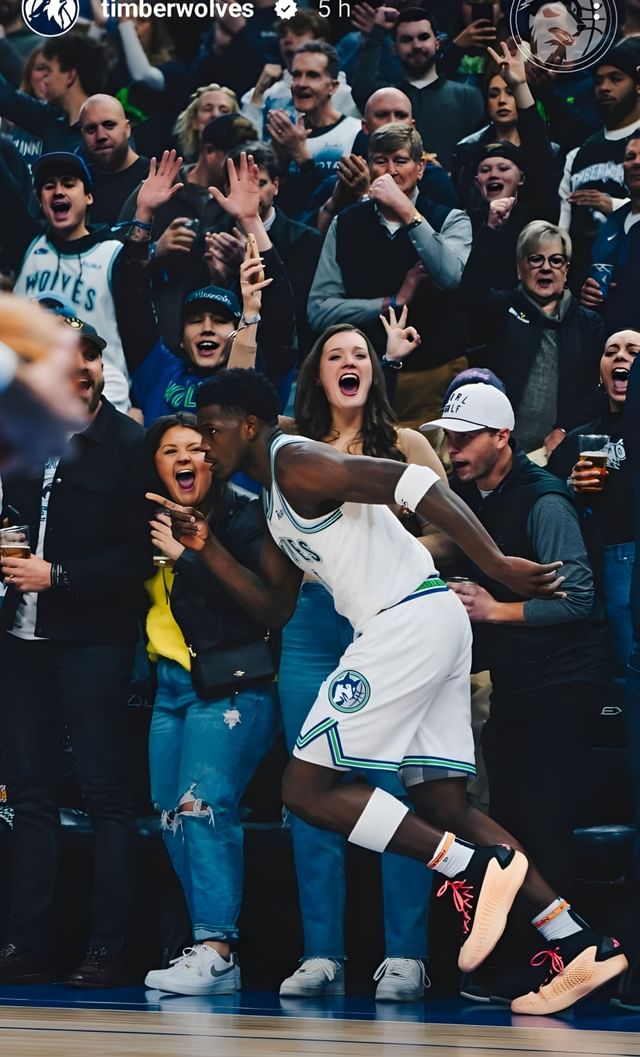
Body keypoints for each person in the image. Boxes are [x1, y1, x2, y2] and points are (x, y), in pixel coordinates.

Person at [148, 367, 627, 1016]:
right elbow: (273, 606)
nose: (202, 446)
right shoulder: (274, 501)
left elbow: (413, 480)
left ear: (249, 425)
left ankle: (471, 867)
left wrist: (496, 564)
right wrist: (204, 547)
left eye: (210, 430)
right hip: (432, 624)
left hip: (406, 622)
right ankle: (578, 943)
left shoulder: (298, 461)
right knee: (442, 798)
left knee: (305, 788)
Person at [278, 315, 446, 1001]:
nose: (350, 362)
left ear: (374, 371)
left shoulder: (403, 442)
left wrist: (394, 562)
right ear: (319, 374)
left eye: (361, 354)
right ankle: (323, 953)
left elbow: (453, 529)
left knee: (398, 781)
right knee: (310, 790)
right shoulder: (293, 449)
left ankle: (406, 954)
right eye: (335, 354)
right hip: (310, 626)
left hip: (387, 623)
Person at [0, 309, 150, 987]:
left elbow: (138, 555)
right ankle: (27, 942)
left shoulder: (127, 442)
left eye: (90, 355)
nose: (80, 368)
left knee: (103, 792)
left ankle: (106, 944)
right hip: (20, 641)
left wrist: (56, 575)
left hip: (92, 641)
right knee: (28, 792)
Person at [422, 382, 610, 903]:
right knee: (511, 821)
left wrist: (493, 609)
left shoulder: (544, 501)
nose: (452, 450)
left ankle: (572, 957)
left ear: (503, 436)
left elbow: (577, 599)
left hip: (565, 679)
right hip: (517, 678)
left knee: (544, 824)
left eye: (465, 438)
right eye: (448, 439)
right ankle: (536, 954)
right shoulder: (467, 495)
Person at [140, 414, 279, 997]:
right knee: (170, 816)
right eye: (169, 450)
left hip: (230, 685)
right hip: (168, 687)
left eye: (196, 448)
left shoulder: (242, 515)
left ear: (214, 460)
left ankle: (219, 950)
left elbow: (262, 603)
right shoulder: (144, 523)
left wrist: (190, 556)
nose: (184, 458)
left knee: (205, 807)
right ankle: (207, 946)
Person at [308, 122, 471, 426]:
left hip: (434, 377)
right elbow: (318, 311)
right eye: (380, 161)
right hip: (364, 378)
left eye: (400, 160)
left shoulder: (451, 219)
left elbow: (450, 277)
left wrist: (408, 213)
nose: (390, 170)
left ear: (420, 168)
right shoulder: (345, 224)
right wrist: (392, 300)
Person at [119, 150, 295, 423]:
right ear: (180, 338)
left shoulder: (256, 377)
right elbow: (131, 298)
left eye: (221, 320)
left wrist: (250, 221)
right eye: (196, 320)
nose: (207, 328)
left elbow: (280, 314)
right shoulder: (159, 369)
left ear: (239, 335)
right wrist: (143, 215)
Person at [6, 150, 141, 412]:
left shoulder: (115, 253)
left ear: (89, 196)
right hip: (32, 397)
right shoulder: (28, 245)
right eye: (48, 186)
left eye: (68, 183)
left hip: (100, 397)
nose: (58, 191)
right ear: (39, 199)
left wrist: (144, 218)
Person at [460, 219, 605, 457]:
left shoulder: (589, 323)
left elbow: (597, 389)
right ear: (519, 269)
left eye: (556, 260)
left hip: (559, 451)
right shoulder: (499, 308)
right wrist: (490, 230)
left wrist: (565, 429)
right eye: (535, 259)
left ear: (566, 271)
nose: (546, 267)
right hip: (500, 451)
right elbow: (469, 294)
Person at [548, 330, 639, 672]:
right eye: (610, 351)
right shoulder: (579, 439)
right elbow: (550, 501)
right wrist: (572, 485)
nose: (619, 357)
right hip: (597, 561)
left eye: (633, 351)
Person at [351, 6, 484, 170]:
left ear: (437, 42)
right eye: (407, 39)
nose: (416, 45)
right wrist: (377, 31)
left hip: (452, 192)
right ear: (394, 48)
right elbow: (362, 88)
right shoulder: (387, 100)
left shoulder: (468, 97)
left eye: (423, 37)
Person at [559, 38, 640, 290]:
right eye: (599, 80)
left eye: (616, 79)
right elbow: (563, 224)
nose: (604, 87)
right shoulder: (579, 153)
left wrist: (612, 206)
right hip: (583, 285)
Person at [267, 41, 361, 222]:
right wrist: (280, 161)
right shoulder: (285, 135)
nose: (301, 83)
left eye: (312, 76)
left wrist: (301, 157)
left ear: (333, 86)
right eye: (296, 75)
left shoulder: (355, 133)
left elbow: (349, 198)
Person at [241, 10, 359, 141]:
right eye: (283, 34)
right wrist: (259, 91)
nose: (288, 39)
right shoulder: (268, 92)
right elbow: (248, 141)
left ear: (320, 41)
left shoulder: (344, 93)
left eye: (298, 33)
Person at [0, 33, 106, 155]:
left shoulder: (105, 136)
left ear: (70, 76)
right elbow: (7, 99)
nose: (45, 80)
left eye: (49, 71)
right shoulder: (51, 121)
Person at [580, 130, 640, 335]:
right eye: (630, 157)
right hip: (609, 344)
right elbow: (598, 273)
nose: (636, 163)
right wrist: (588, 291)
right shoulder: (613, 222)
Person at [78, 94, 150, 226]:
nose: (100, 136)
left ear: (127, 129)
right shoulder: (78, 184)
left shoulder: (154, 177)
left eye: (109, 125)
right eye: (91, 129)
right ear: (82, 134)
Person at [174, 83, 239, 162]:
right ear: (194, 120)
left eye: (224, 111)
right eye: (207, 109)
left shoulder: (249, 169)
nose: (216, 115)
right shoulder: (178, 173)